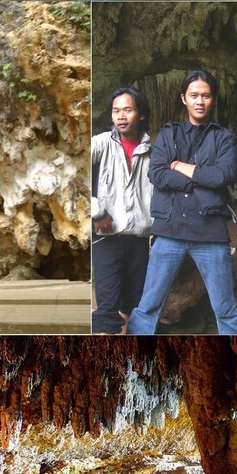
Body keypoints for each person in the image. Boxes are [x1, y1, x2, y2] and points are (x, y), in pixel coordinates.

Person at [127, 69, 237, 334]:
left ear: (213, 99)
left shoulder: (224, 138)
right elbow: (156, 173)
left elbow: (223, 175)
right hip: (170, 232)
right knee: (148, 306)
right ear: (184, 99)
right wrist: (201, 176)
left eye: (205, 95)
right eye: (194, 95)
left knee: (225, 309)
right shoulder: (168, 134)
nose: (199, 101)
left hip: (210, 233)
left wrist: (179, 166)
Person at [91, 87, 154, 334]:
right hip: (107, 237)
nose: (121, 116)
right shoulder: (101, 144)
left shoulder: (152, 150)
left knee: (133, 303)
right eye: (116, 111)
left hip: (139, 238)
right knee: (107, 306)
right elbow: (72, 174)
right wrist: (96, 211)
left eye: (128, 110)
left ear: (141, 114)